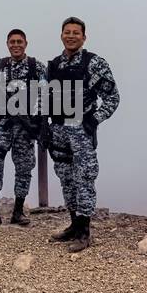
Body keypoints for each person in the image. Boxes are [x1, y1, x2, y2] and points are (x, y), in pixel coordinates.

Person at [45, 17, 120, 251]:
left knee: (84, 178)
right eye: (67, 32)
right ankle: (74, 225)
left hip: (81, 131)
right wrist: (44, 125)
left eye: (76, 33)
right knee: (66, 178)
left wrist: (93, 120)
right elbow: (46, 97)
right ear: (61, 35)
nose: (71, 36)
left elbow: (112, 97)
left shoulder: (94, 63)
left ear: (84, 37)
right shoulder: (55, 64)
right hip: (58, 132)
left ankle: (84, 233)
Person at [0, 29, 45, 227]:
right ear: (7, 44)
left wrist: (38, 116)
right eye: (12, 42)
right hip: (2, 126)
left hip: (25, 128)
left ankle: (18, 212)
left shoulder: (36, 66)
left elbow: (47, 90)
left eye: (19, 41)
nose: (16, 45)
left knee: (24, 168)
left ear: (26, 43)